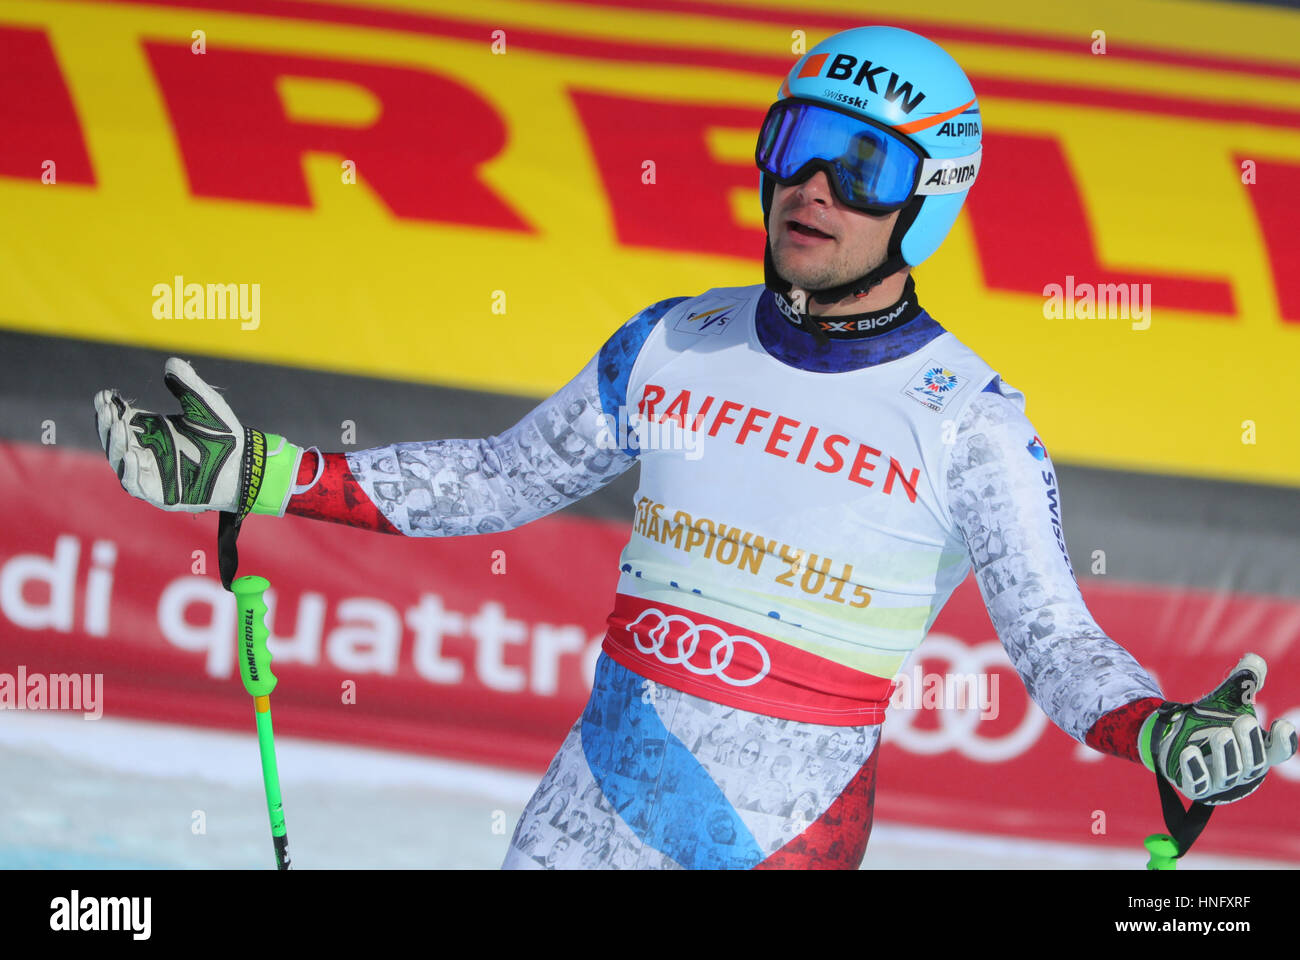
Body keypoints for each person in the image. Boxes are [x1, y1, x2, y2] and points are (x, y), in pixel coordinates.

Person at [93, 25, 1296, 869]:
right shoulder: (674, 338)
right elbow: (504, 478)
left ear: (927, 198)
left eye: (862, 165)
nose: (811, 186)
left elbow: (1054, 644)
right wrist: (264, 472)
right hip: (583, 808)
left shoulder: (970, 420)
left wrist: (1163, 730)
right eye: (795, 142)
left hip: (776, 838)